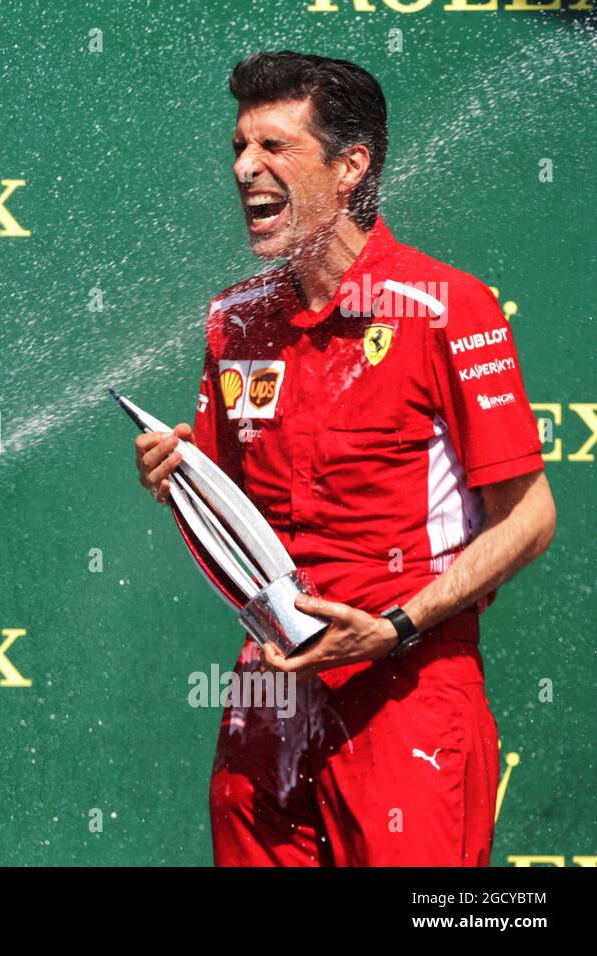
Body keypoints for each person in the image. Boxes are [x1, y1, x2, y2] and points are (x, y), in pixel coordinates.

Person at [133, 51, 554, 866]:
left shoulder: (447, 307)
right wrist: (175, 473)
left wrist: (396, 626)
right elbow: (229, 508)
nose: (245, 168)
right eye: (238, 148)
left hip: (408, 690)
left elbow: (531, 518)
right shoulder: (234, 321)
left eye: (274, 147)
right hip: (269, 690)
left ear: (350, 164)